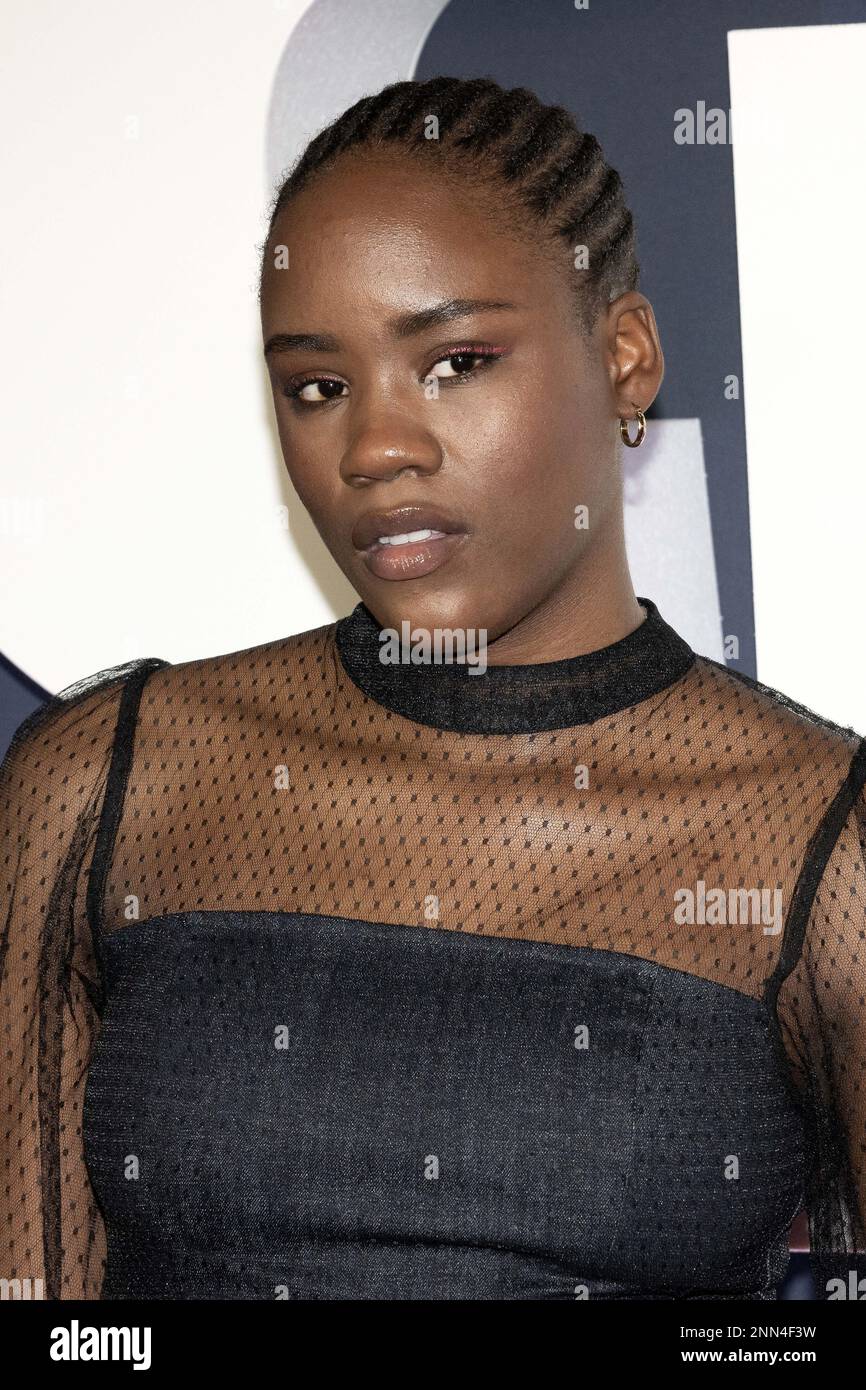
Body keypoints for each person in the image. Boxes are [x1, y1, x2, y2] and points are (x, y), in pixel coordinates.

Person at [1, 75, 864, 1302]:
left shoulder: (818, 843)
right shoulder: (108, 783)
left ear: (624, 360)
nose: (375, 448)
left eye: (455, 361)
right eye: (317, 385)